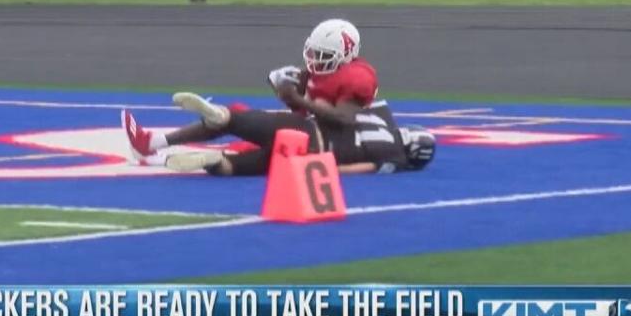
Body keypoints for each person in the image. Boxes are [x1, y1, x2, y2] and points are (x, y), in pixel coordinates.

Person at [121, 92, 435, 176]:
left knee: (231, 118)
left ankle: (155, 142)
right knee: (236, 168)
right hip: (309, 154)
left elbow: (351, 102)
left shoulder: (382, 113)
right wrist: (322, 169)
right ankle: (216, 161)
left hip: (304, 128)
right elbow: (360, 168)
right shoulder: (394, 157)